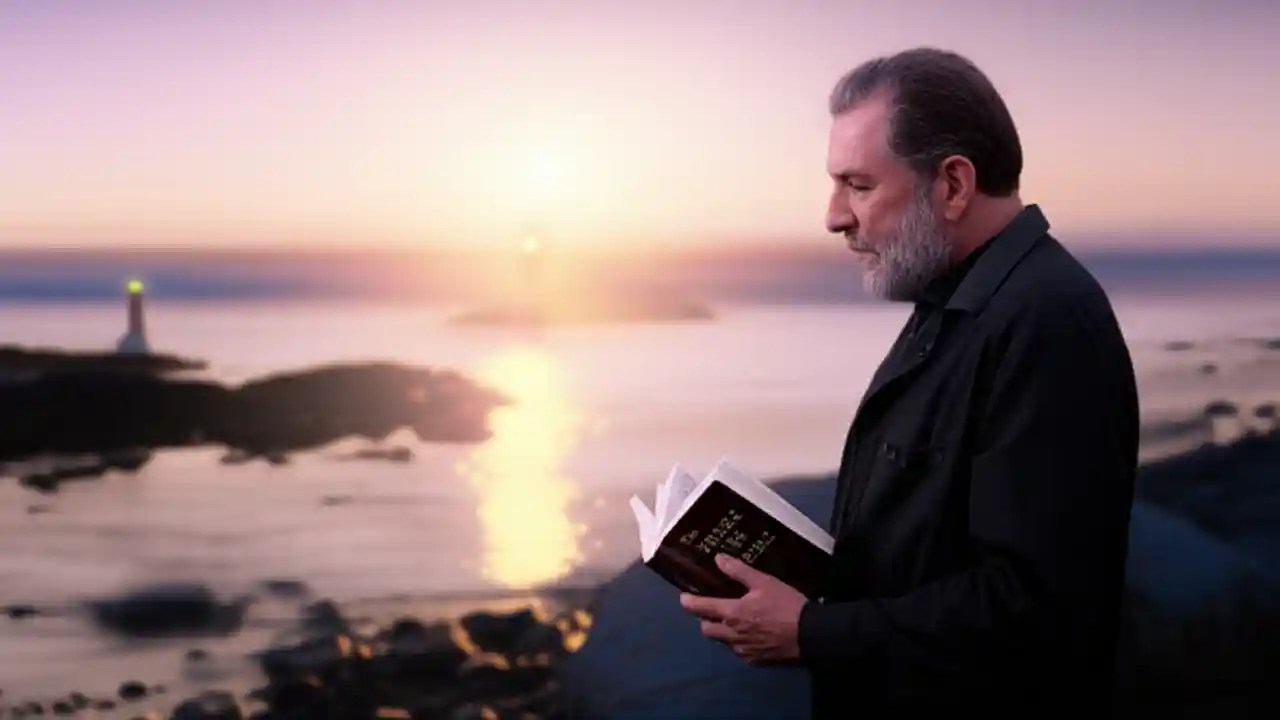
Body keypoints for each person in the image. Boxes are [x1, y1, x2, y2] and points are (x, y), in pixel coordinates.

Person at [680, 47, 1140, 717]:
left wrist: (810, 631)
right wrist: (805, 579)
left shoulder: (1046, 323)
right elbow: (931, 543)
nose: (834, 216)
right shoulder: (956, 301)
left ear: (952, 185)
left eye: (858, 185)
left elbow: (1035, 606)